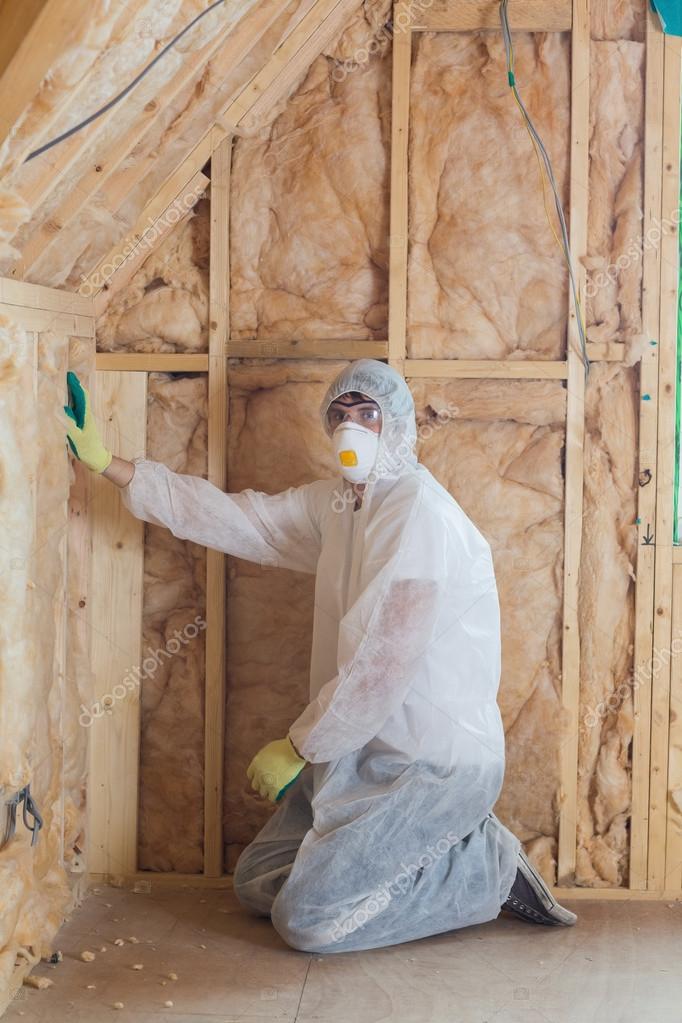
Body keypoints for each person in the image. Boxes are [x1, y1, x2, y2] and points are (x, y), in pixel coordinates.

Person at [63, 358, 576, 953]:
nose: (351, 427)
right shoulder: (340, 507)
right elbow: (240, 519)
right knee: (259, 883)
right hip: (360, 750)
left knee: (308, 920)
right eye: (340, 414)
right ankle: (422, 855)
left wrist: (301, 746)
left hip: (431, 765)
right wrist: (112, 466)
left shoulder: (420, 516)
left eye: (367, 414)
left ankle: (486, 866)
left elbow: (385, 661)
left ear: (398, 425)